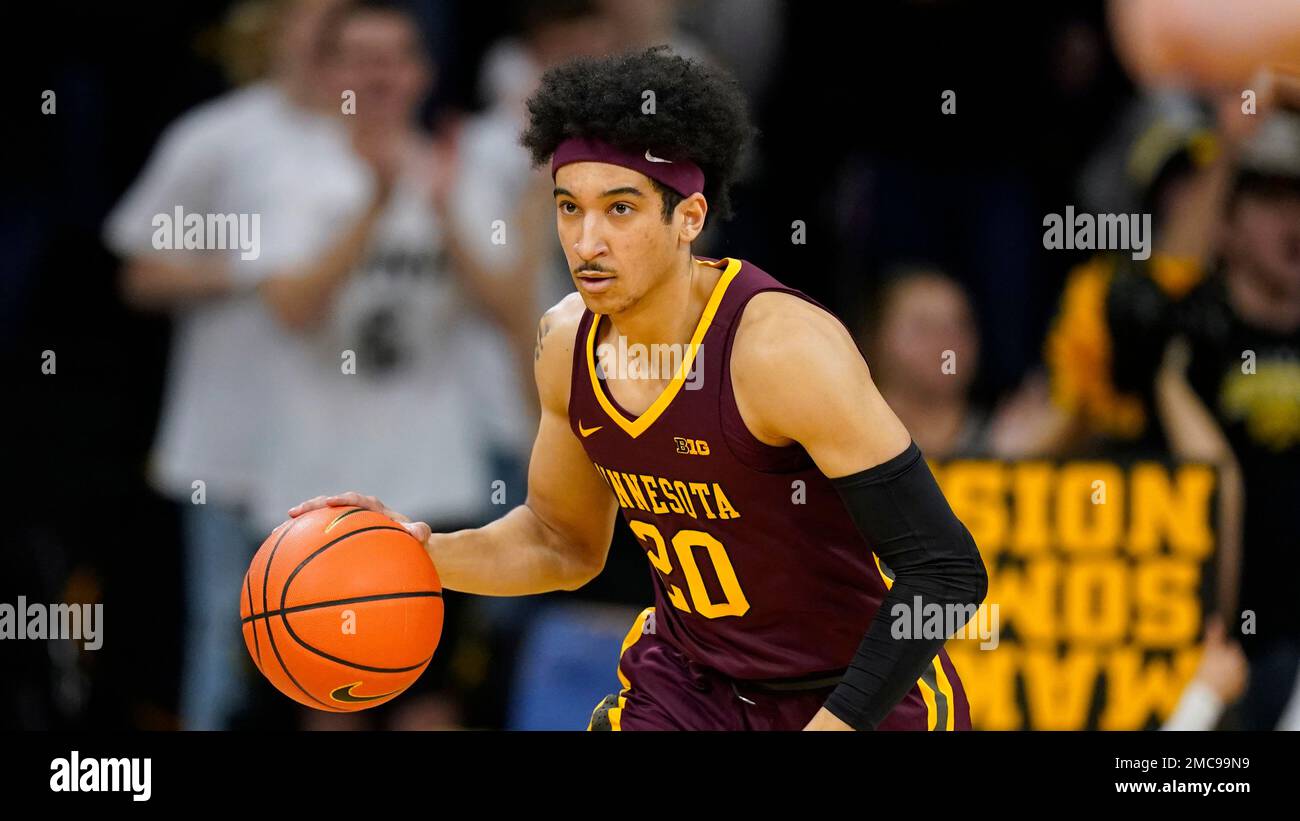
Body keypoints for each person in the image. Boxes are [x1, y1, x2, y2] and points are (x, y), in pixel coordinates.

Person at [288, 46, 987, 731]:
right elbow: (562, 542)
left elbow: (947, 572)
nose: (587, 240)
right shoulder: (565, 342)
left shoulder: (780, 349)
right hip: (691, 686)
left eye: (618, 209)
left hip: (853, 692)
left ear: (688, 217)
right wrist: (416, 554)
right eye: (569, 208)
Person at [102, 0, 347, 730]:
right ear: (271, 30)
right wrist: (246, 275)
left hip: (347, 434)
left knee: (337, 626)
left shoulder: (373, 140)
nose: (326, 38)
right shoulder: (218, 137)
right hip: (226, 431)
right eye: (310, 20)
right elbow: (138, 271)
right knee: (222, 618)